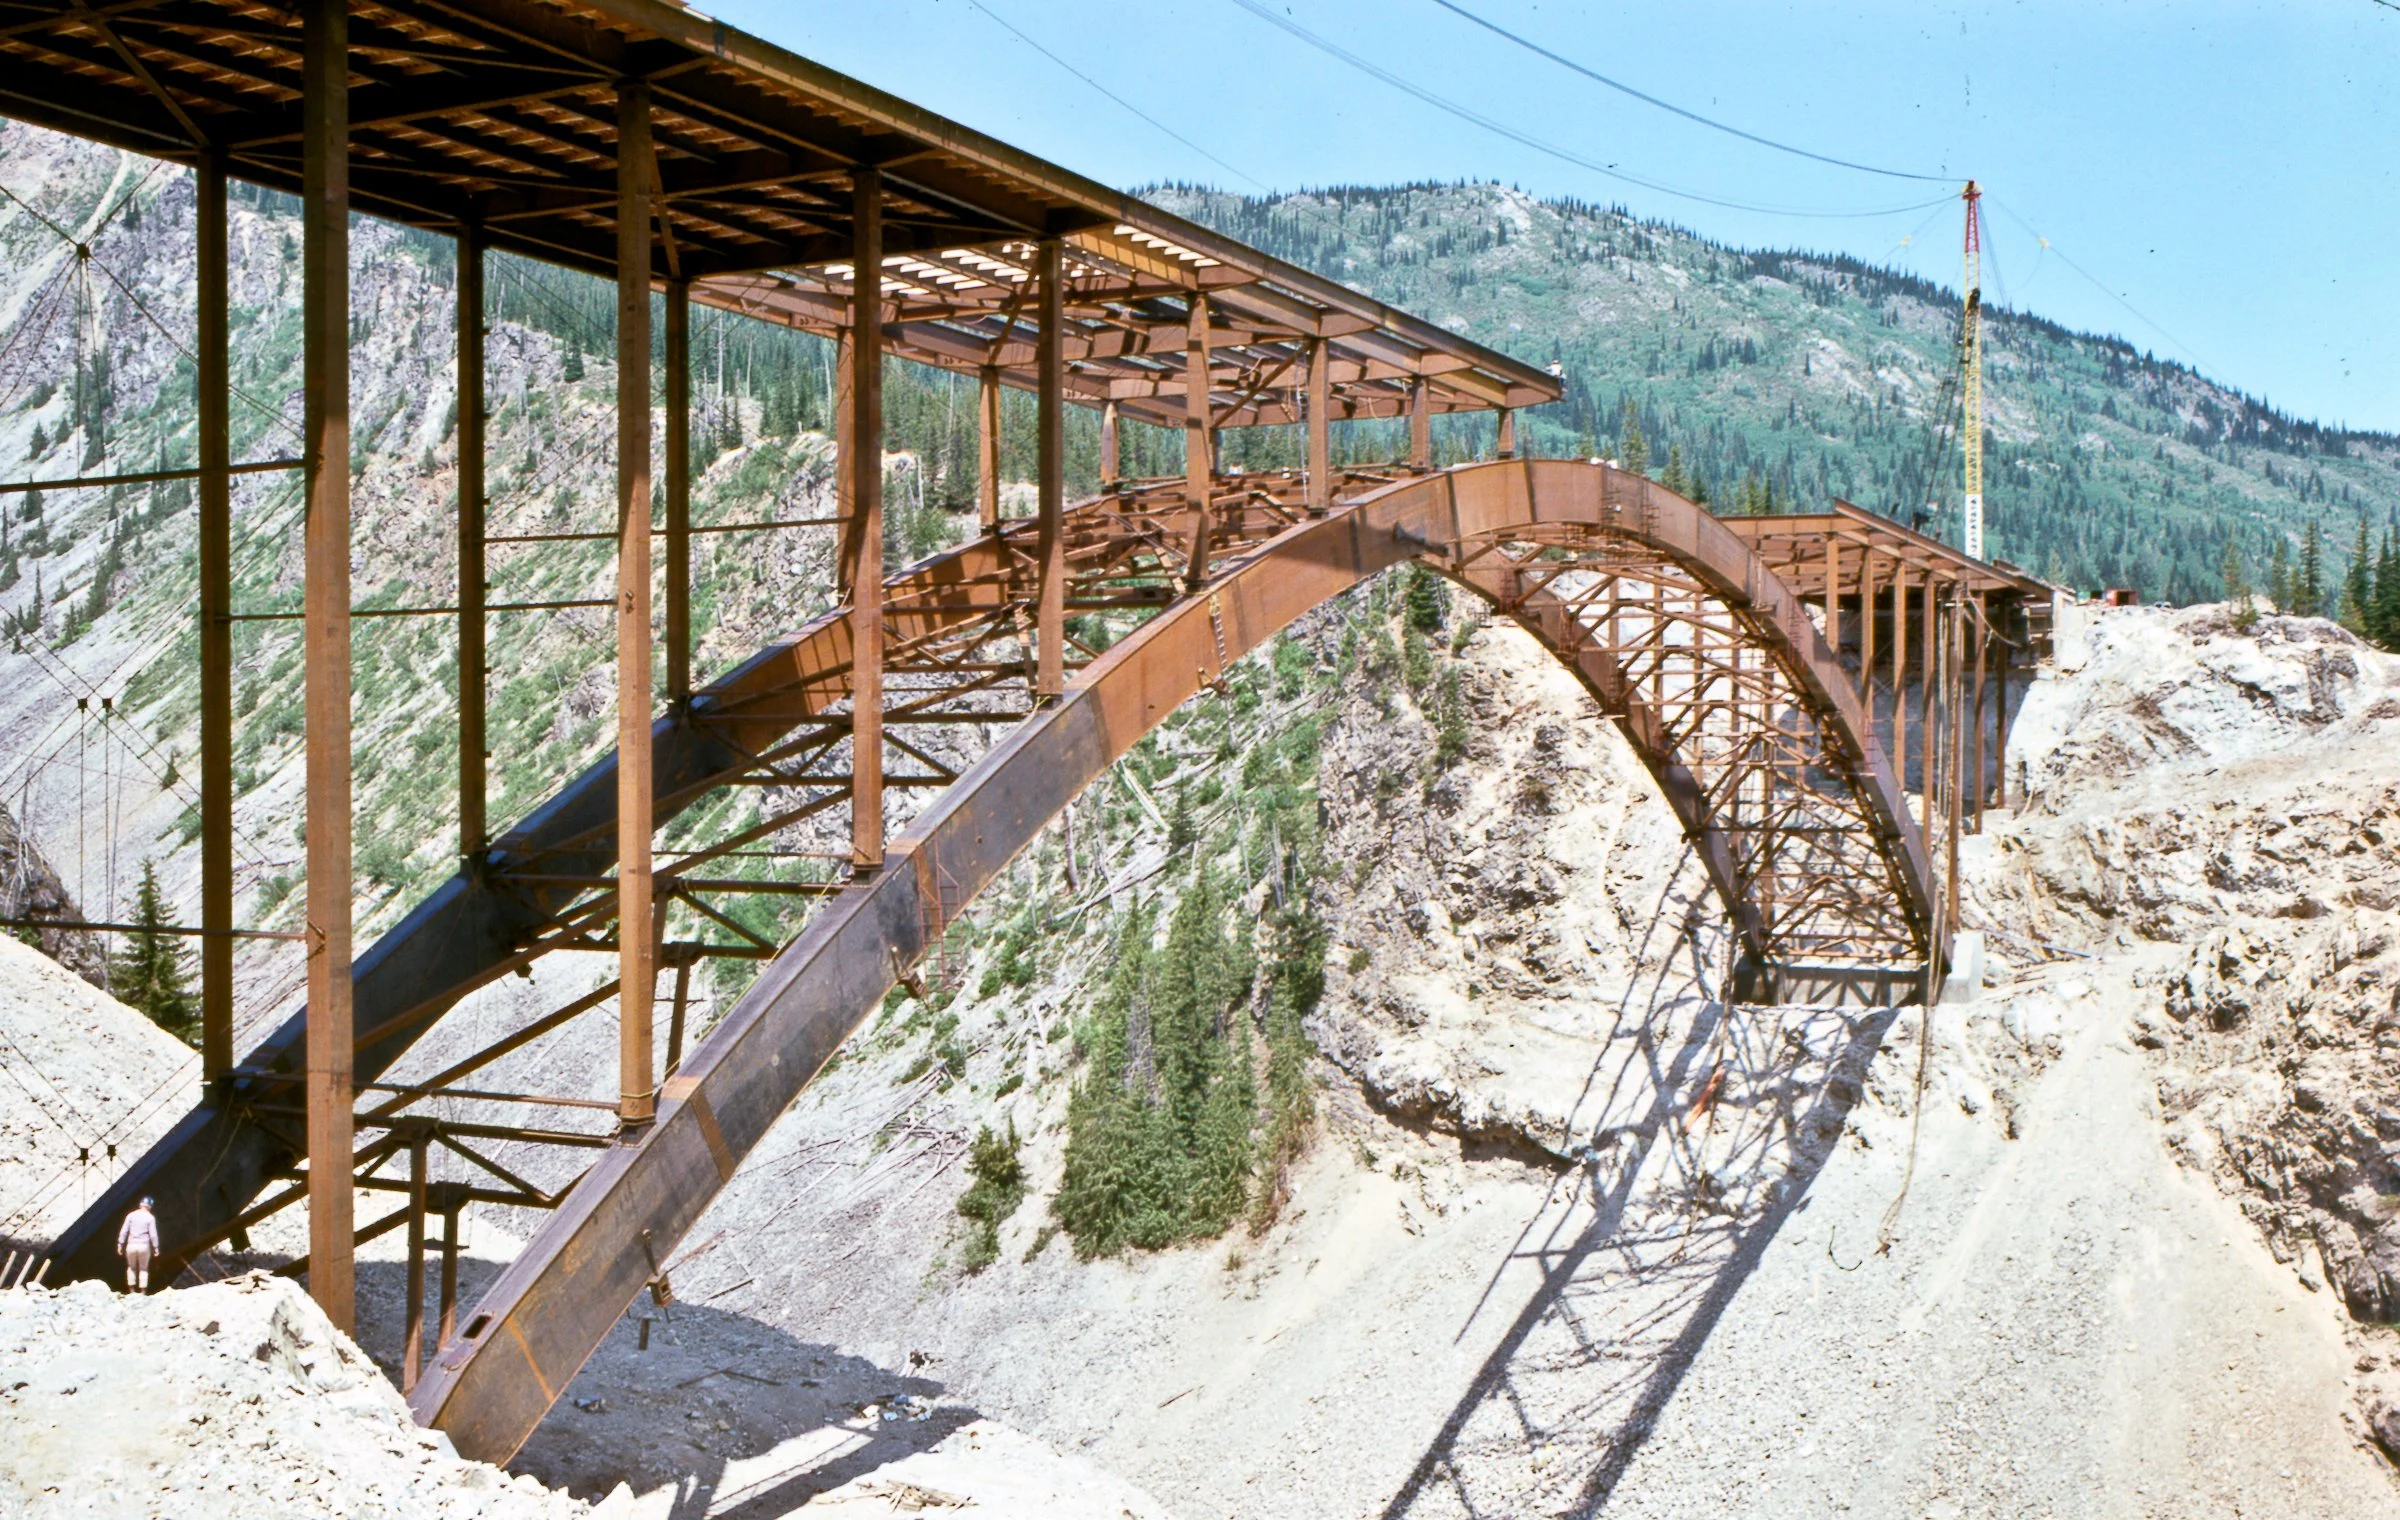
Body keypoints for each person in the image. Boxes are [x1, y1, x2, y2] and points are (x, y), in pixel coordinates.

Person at [117, 1196, 159, 1293]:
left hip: (131, 1245)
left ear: (140, 1204)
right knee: (143, 1269)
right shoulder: (150, 1218)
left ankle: (131, 1291)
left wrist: (120, 1244)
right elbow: (153, 1234)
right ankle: (142, 1292)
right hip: (144, 1246)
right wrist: (156, 1248)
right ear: (150, 1206)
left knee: (131, 1268)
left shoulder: (131, 1215)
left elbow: (124, 1231)